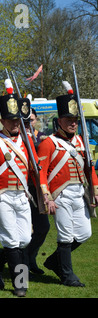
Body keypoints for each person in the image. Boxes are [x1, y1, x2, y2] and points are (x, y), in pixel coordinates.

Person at [0, 79, 50, 297]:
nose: (15, 124)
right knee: (11, 240)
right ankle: (20, 283)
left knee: (25, 240)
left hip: (22, 195)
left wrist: (44, 192)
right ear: (2, 121)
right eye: (10, 121)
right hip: (1, 195)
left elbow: (37, 170)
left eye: (17, 120)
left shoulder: (27, 140)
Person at [38, 82, 98, 287]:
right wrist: (46, 196)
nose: (73, 123)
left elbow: (89, 169)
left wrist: (95, 190)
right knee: (65, 235)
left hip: (79, 193)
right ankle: (67, 275)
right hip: (60, 195)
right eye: (68, 120)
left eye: (75, 120)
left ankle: (54, 261)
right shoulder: (49, 142)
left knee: (84, 233)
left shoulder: (81, 141)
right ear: (59, 121)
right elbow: (41, 172)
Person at [20, 100, 51, 276]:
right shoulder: (17, 139)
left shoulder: (43, 138)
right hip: (22, 188)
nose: (28, 124)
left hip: (37, 188)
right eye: (25, 121)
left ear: (36, 120)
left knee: (42, 228)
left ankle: (30, 258)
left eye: (31, 120)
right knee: (23, 233)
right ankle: (22, 264)